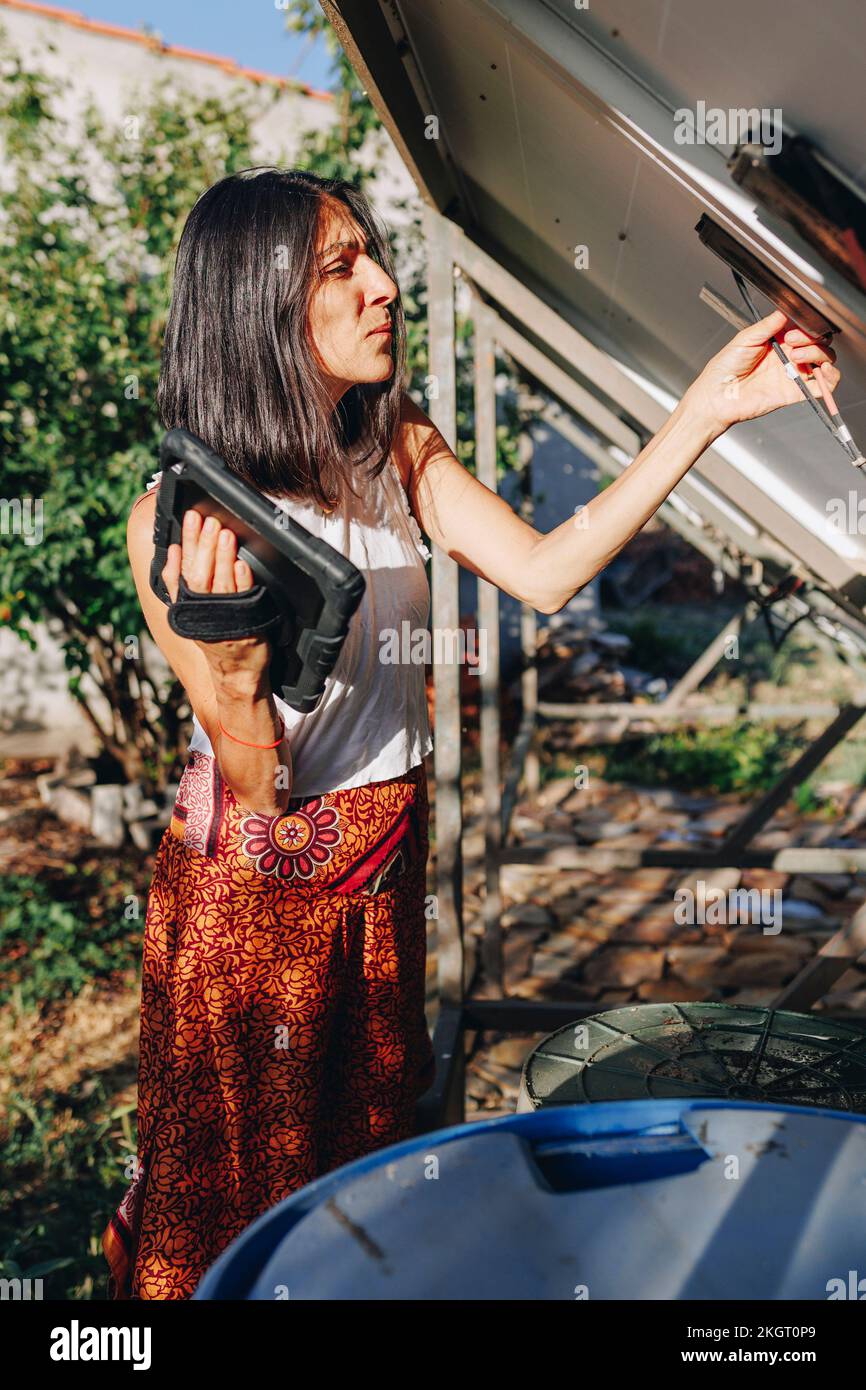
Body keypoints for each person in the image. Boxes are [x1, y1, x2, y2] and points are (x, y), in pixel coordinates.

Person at [103, 166, 839, 1299]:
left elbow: (545, 572)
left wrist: (708, 409)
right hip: (256, 911)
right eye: (341, 269)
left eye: (375, 257)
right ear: (254, 302)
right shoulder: (175, 522)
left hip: (387, 878)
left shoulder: (393, 445)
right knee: (253, 1213)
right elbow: (255, 798)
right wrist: (240, 684)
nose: (386, 287)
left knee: (367, 1199)